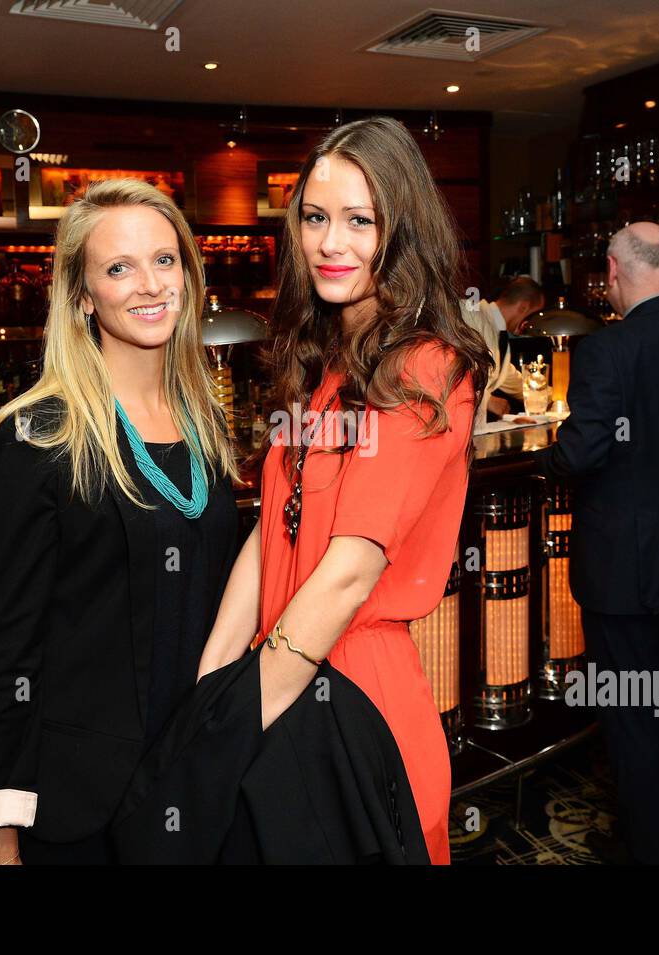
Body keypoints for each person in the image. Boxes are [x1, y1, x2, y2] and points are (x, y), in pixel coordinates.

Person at [195, 116, 492, 864]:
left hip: (355, 705)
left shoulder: (426, 368)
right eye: (316, 218)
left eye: (361, 221)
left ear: (404, 230)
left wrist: (230, 724)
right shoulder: (325, 361)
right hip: (283, 679)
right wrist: (210, 690)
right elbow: (272, 536)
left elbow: (350, 570)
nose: (331, 243)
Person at [0, 178, 241, 864]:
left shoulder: (204, 421)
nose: (149, 285)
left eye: (164, 260)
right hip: (84, 799)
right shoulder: (38, 435)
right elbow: (7, 644)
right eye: (119, 267)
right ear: (84, 295)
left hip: (195, 771)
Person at [533, 222, 659, 865]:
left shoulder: (606, 350)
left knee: (633, 716)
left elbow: (581, 451)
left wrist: (547, 455)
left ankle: (649, 853)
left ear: (615, 275)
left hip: (627, 573)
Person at [459, 276, 543, 427]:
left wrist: (553, 397)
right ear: (524, 307)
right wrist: (489, 401)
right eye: (535, 315)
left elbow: (509, 378)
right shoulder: (470, 313)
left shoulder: (500, 333)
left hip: (475, 430)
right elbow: (451, 371)